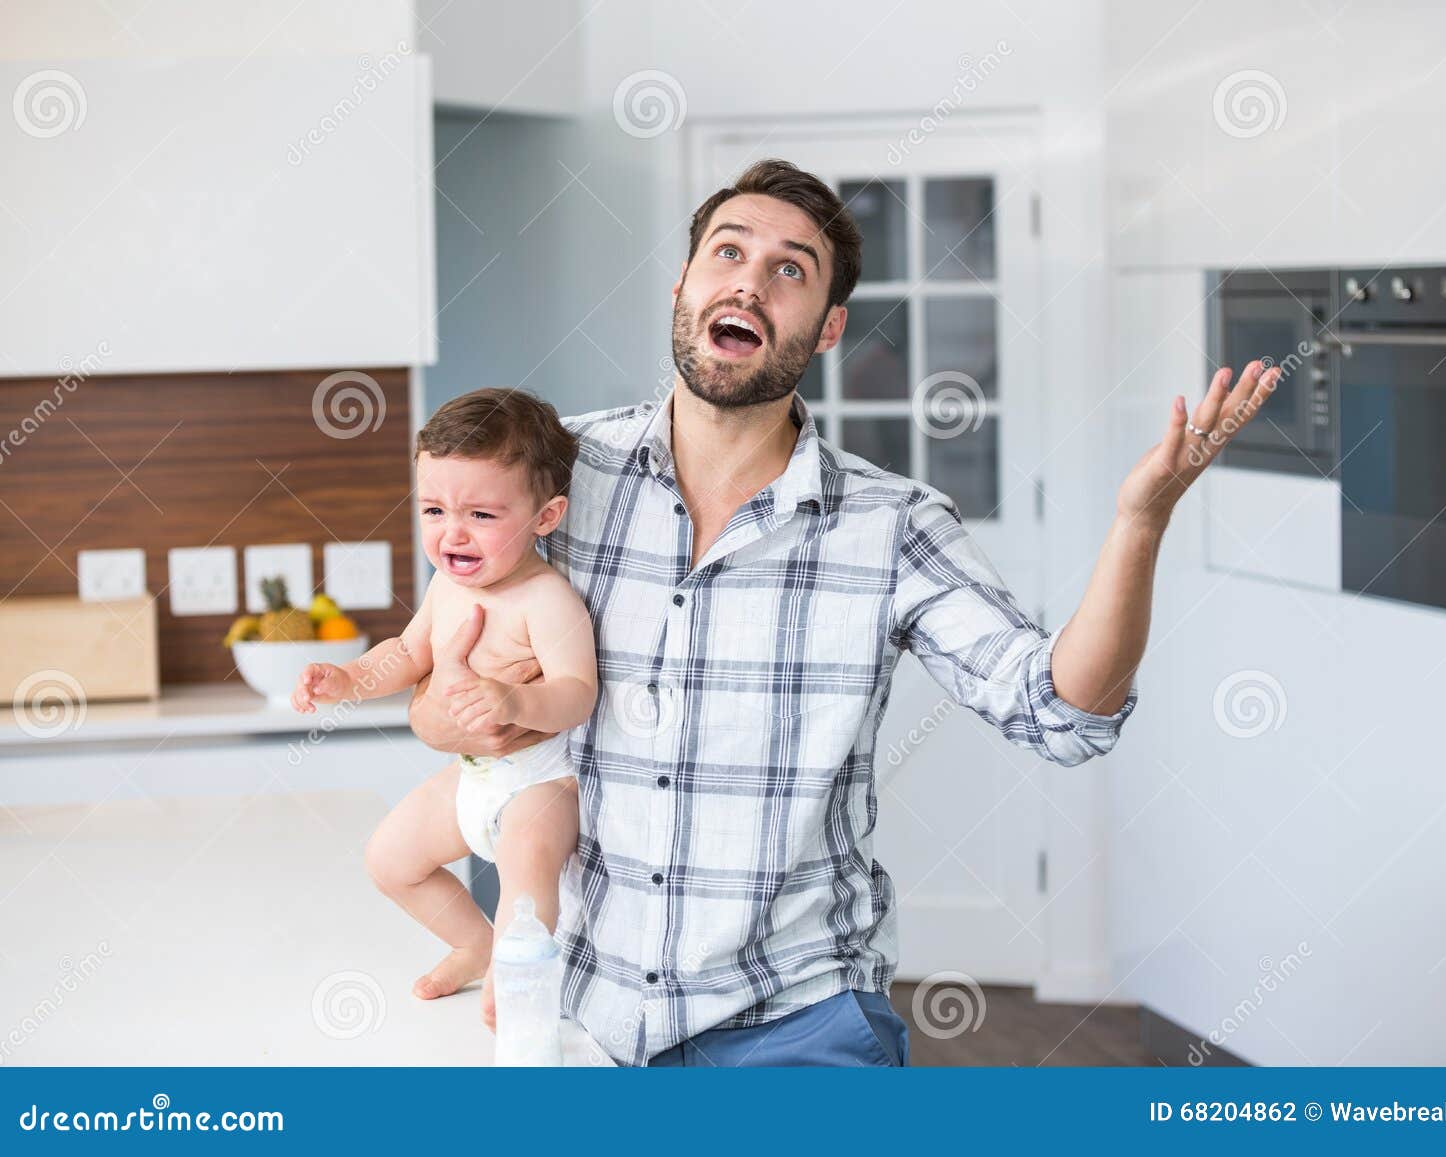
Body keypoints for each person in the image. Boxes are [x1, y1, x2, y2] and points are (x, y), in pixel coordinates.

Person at [409, 160, 1281, 1066]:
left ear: (827, 329)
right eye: (728, 252)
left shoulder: (891, 525)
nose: (749, 279)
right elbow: (433, 694)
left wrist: (1141, 524)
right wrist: (466, 711)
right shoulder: (552, 479)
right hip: (582, 1014)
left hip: (800, 1022)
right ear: (683, 285)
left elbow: (1062, 713)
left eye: (790, 268)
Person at [294, 387, 597, 1028]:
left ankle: (520, 981)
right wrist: (346, 678)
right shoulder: (447, 586)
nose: (451, 532)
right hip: (473, 776)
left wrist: (514, 698)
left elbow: (578, 692)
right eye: (434, 509)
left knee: (526, 866)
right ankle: (473, 943)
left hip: (542, 780)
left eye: (482, 516)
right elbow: (407, 654)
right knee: (390, 859)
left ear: (546, 517)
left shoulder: (546, 599)